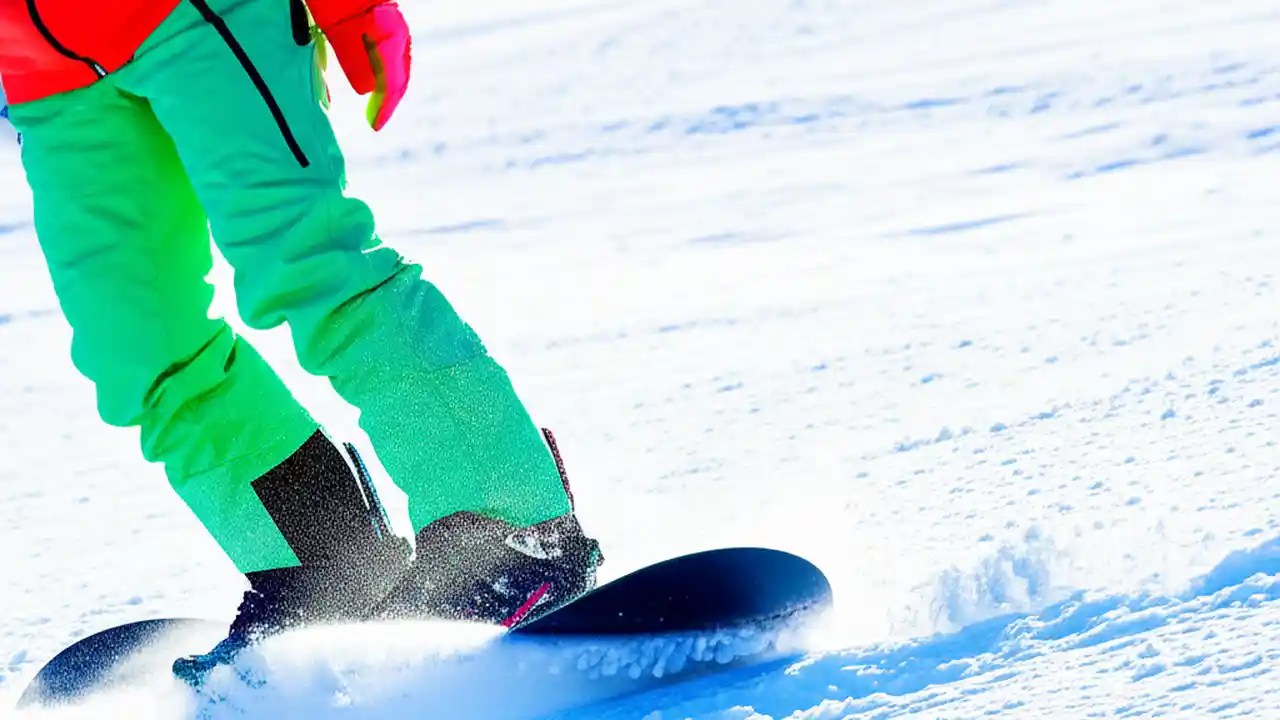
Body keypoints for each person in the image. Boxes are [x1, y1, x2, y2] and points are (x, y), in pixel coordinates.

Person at [0, 0, 602, 682]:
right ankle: (326, 567)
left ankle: (511, 535)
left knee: (310, 265)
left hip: (198, 15)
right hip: (45, 75)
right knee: (142, 354)